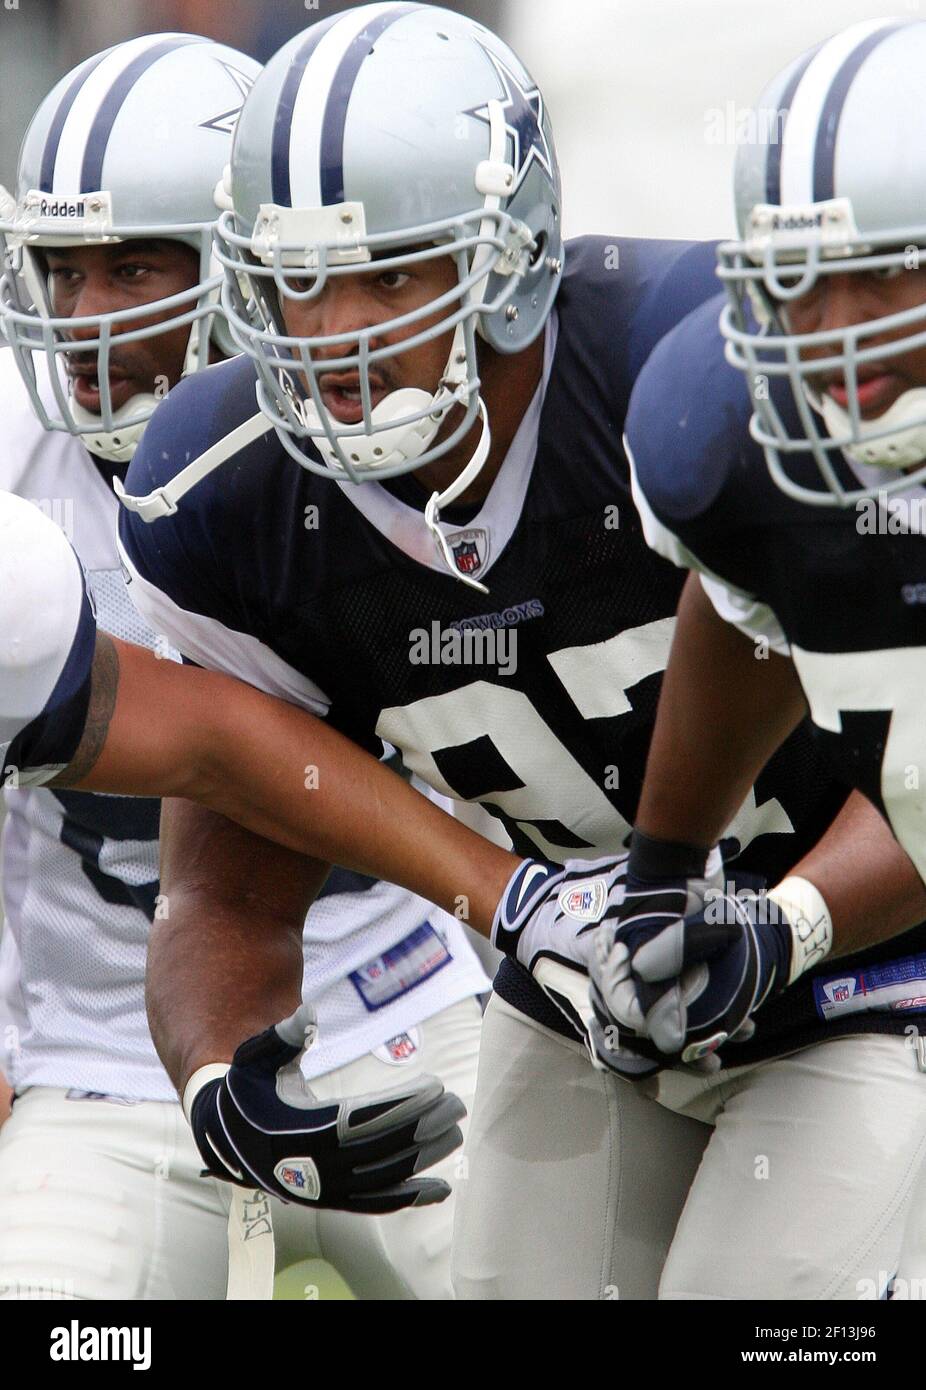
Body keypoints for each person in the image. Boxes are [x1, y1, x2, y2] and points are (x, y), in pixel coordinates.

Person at [117, 2, 926, 1299]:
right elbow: (226, 885)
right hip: (574, 988)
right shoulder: (224, 495)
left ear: (513, 255)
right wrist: (224, 1072)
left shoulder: (697, 375)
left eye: (392, 274)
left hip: (861, 966)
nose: (333, 338)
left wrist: (780, 925)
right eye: (302, 281)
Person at [0, 33, 488, 1301]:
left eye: (137, 263)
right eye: (61, 269)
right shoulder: (13, 473)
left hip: (398, 1005)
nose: (92, 318)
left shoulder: (383, 435)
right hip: (103, 1060)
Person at [591, 15, 926, 1299]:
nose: (829, 334)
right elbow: (745, 612)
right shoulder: (724, 429)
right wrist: (666, 868)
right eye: (797, 279)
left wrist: (791, 917)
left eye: (881, 275)